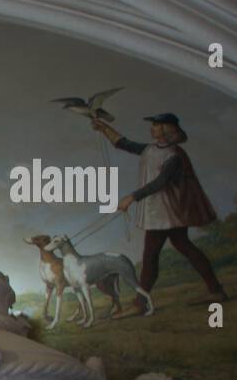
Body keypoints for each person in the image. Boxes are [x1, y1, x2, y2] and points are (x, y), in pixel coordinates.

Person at [92, 113, 227, 306]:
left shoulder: (173, 155)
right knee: (183, 247)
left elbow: (160, 183)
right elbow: (123, 143)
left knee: (151, 256)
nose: (152, 128)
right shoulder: (151, 149)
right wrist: (104, 128)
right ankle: (216, 291)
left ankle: (141, 302)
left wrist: (131, 198)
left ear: (166, 129)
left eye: (155, 125)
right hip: (162, 212)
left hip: (166, 212)